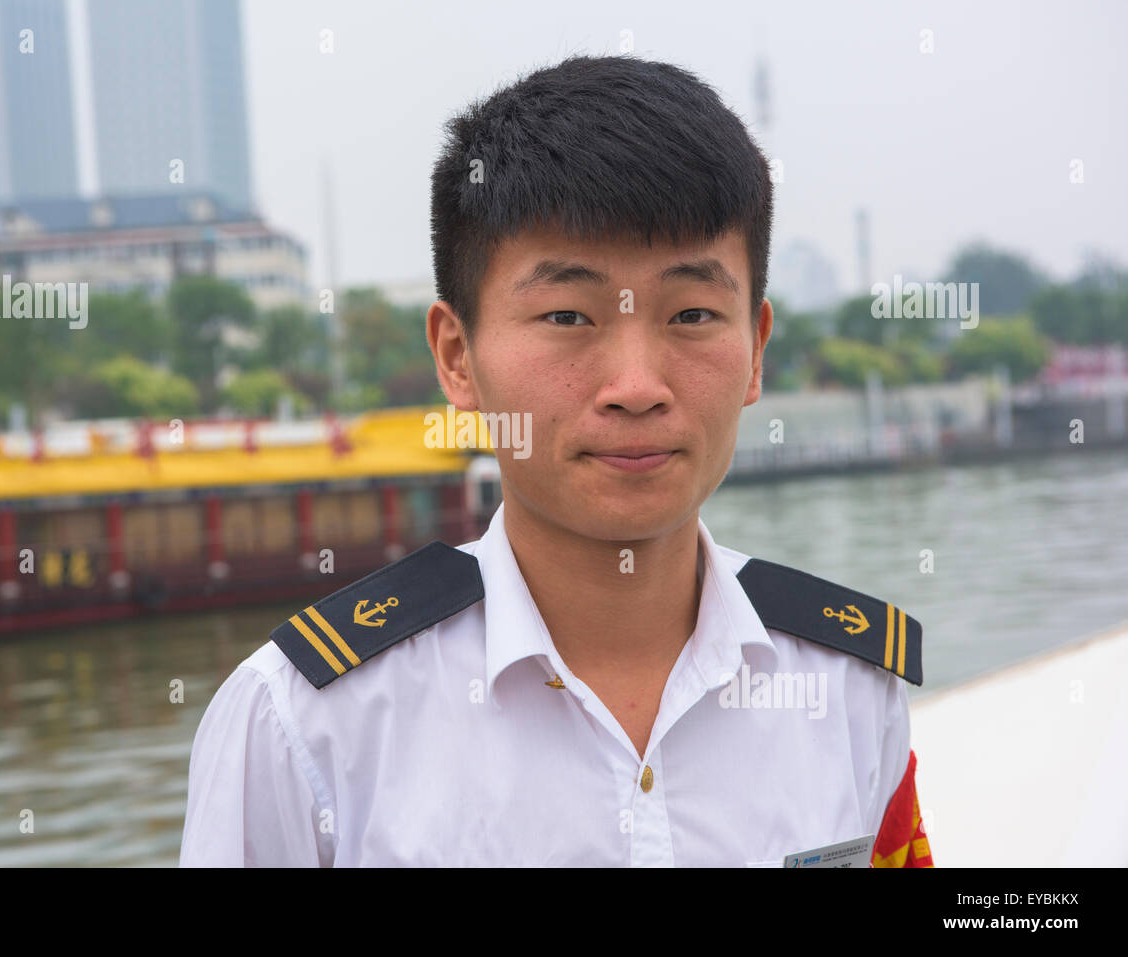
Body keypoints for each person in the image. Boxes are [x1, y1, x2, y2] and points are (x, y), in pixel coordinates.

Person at [180, 53, 933, 867]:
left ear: (755, 350)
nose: (637, 386)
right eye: (569, 314)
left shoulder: (849, 688)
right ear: (457, 355)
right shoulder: (304, 725)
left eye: (691, 312)